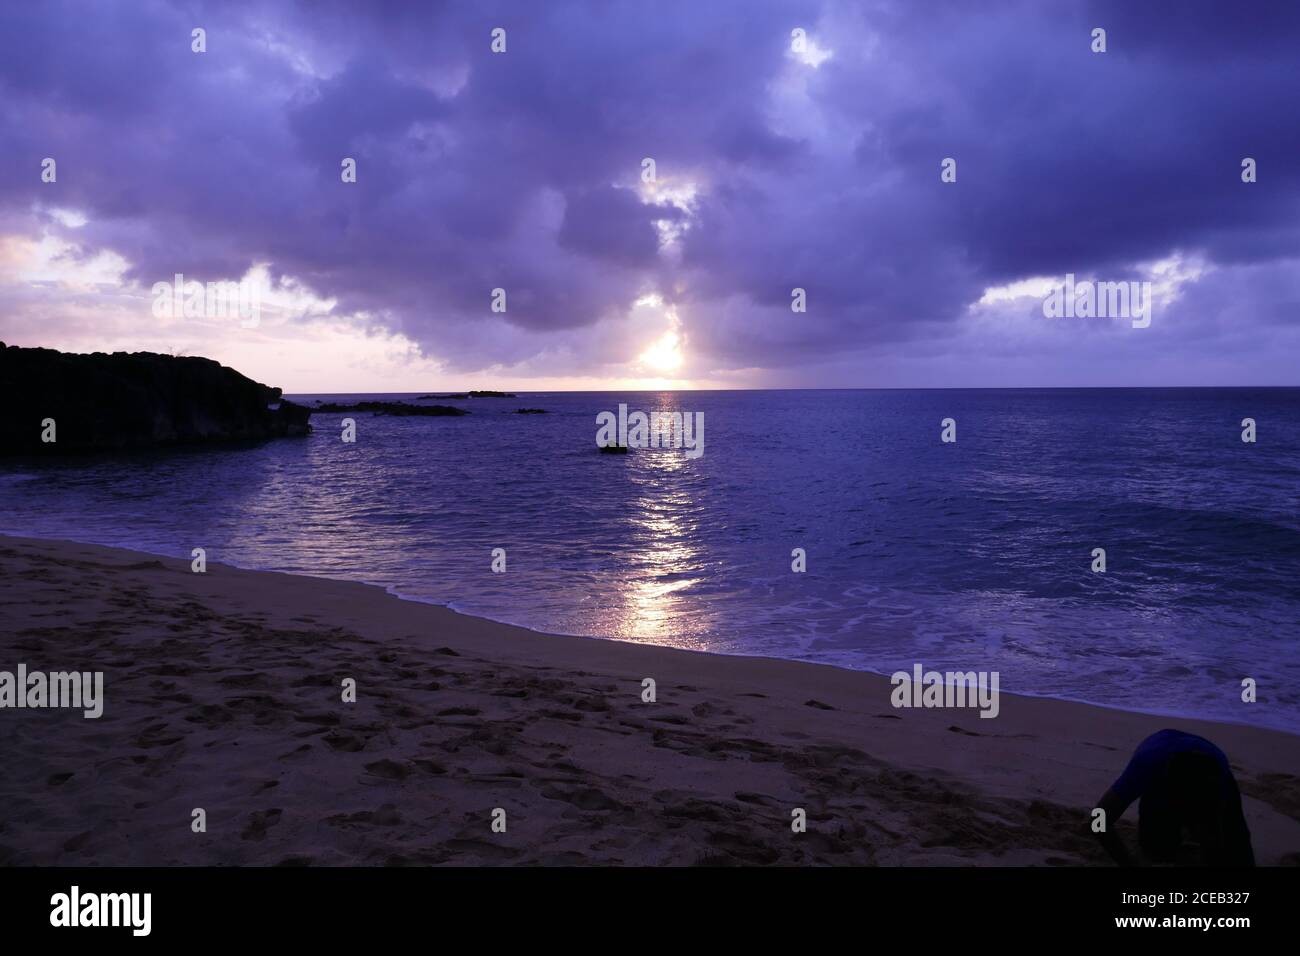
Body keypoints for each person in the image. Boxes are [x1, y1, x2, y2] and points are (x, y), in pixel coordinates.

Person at [1094, 728, 1254, 866]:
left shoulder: (1219, 774)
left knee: (1236, 847)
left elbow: (1218, 838)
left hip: (1209, 763)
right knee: (1156, 849)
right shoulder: (1146, 768)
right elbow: (1098, 821)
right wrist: (1128, 863)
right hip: (1160, 761)